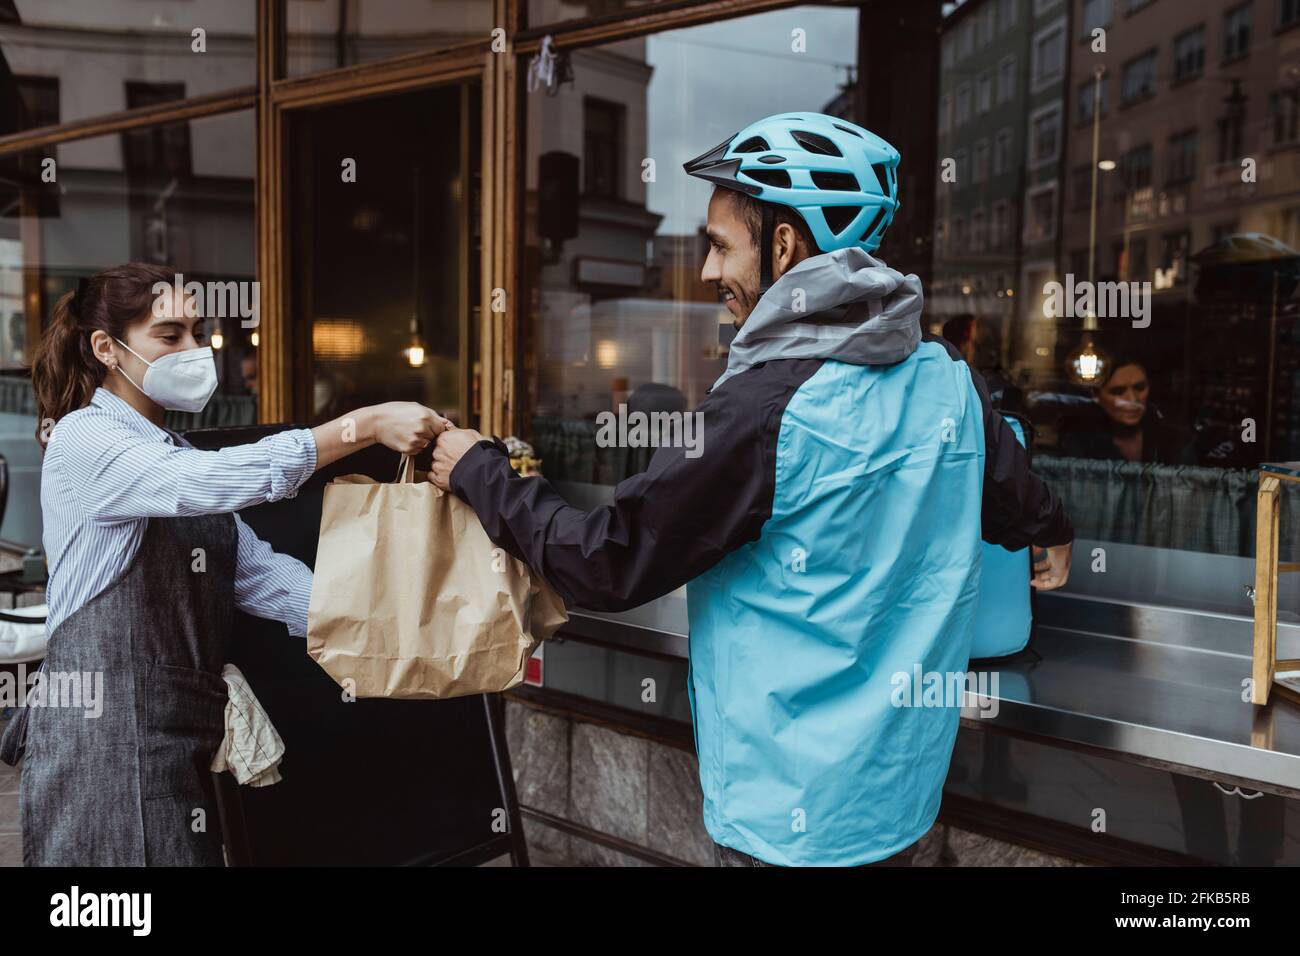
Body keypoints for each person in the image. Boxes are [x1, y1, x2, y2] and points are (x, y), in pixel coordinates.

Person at [431, 113, 1073, 866]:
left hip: (788, 819)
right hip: (897, 802)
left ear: (784, 246)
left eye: (719, 245)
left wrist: (478, 470)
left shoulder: (763, 410)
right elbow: (1010, 487)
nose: (707, 273)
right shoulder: (947, 378)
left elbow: (606, 563)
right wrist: (1051, 527)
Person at [0, 262, 446, 866]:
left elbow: (268, 580)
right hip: (99, 744)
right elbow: (206, 481)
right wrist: (360, 426)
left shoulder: (171, 450)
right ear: (106, 347)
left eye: (197, 330)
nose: (195, 348)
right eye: (170, 334)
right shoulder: (84, 439)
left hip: (178, 741)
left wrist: (420, 631)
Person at [1058, 356, 1194, 464]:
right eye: (1118, 391)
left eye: (1140, 388)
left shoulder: (1174, 439)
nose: (1132, 399)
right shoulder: (1079, 442)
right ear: (1097, 395)